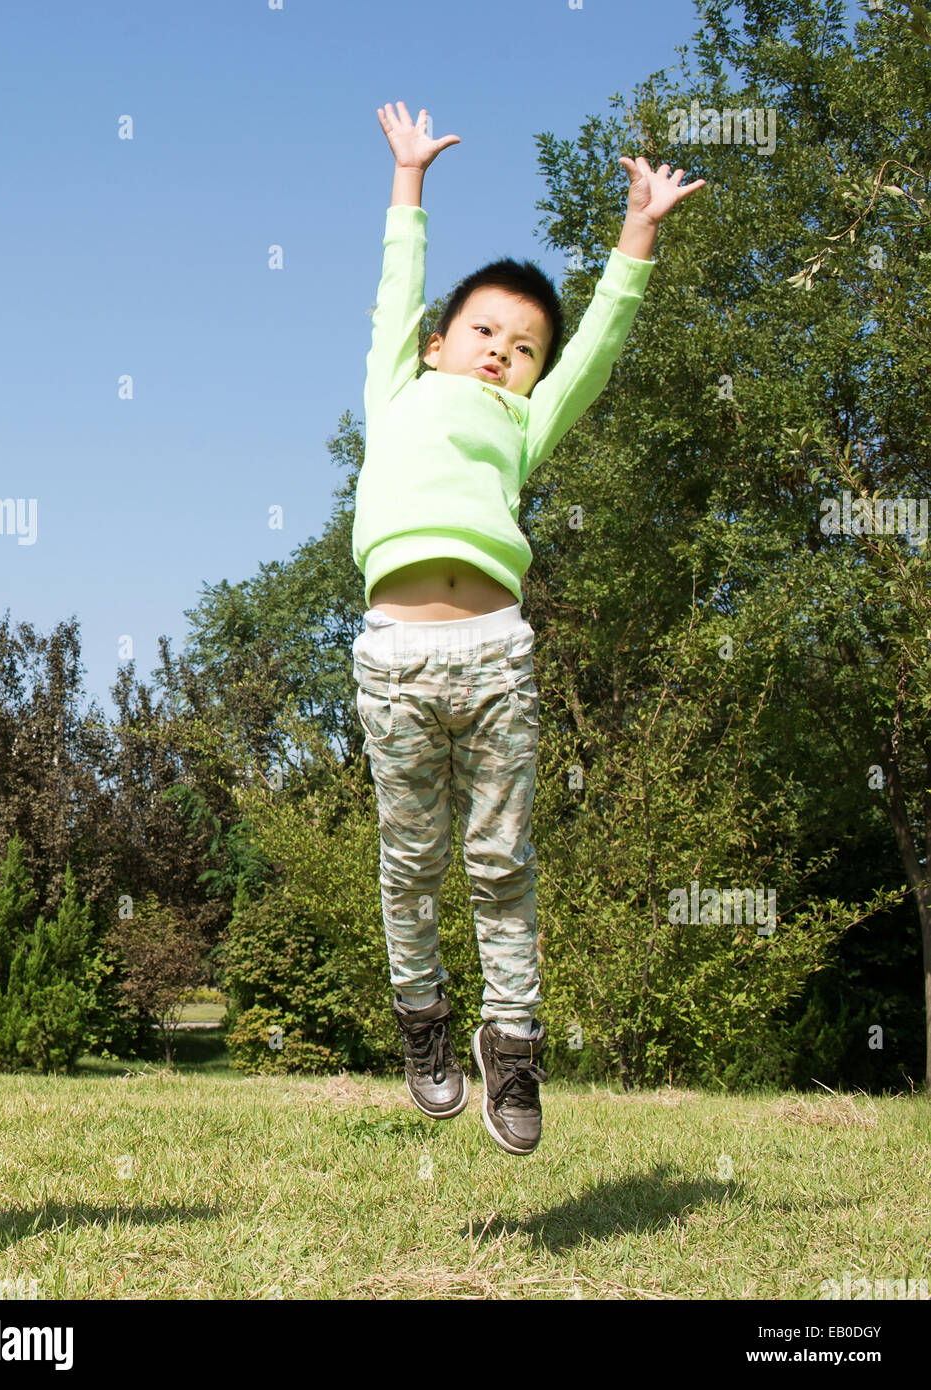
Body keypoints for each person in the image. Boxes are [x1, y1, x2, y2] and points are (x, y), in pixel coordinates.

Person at [351, 101, 704, 1155]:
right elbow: (393, 294)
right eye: (484, 333)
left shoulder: (523, 419)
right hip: (396, 660)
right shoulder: (397, 388)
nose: (503, 352)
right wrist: (409, 183)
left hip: (496, 654)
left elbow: (596, 347)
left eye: (522, 347)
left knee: (502, 866)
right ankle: (424, 1026)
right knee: (410, 863)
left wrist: (635, 235)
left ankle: (513, 1048)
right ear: (438, 343)